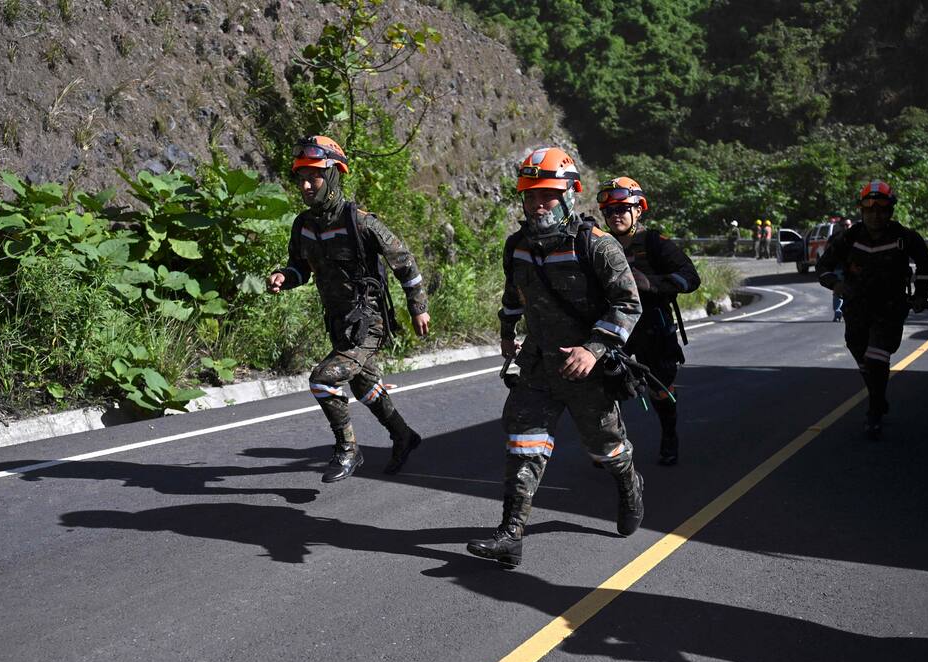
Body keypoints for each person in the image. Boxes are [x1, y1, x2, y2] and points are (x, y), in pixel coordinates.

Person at [466, 147, 644, 567]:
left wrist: (594, 348)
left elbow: (628, 304)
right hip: (538, 365)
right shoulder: (518, 246)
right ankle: (511, 535)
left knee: (607, 449)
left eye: (546, 194)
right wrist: (508, 332)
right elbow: (515, 296)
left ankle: (629, 483)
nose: (537, 204)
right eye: (529, 195)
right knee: (524, 443)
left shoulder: (597, 246)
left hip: (588, 372)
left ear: (570, 193)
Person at [267, 135, 431, 482]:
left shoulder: (360, 222)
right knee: (363, 385)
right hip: (338, 322)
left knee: (323, 380)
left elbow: (404, 262)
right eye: (302, 178)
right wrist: (284, 276)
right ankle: (403, 435)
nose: (307, 185)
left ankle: (348, 449)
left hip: (368, 321)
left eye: (315, 177)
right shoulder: (304, 226)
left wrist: (418, 307)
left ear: (333, 176)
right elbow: (300, 268)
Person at [817, 180, 928, 439]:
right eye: (869, 209)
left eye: (881, 210)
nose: (875, 215)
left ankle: (874, 412)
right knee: (862, 357)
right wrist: (837, 285)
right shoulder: (848, 238)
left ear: (890, 211)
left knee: (876, 357)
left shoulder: (904, 237)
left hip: (890, 308)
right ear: (861, 210)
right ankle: (878, 399)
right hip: (856, 309)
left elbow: (926, 262)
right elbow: (823, 268)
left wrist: (921, 294)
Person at [597, 177, 701, 465]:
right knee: (601, 386)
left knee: (661, 388)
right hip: (614, 326)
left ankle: (669, 435)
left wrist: (651, 283)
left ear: (638, 210)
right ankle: (610, 444)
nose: (615, 215)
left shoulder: (656, 243)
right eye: (609, 211)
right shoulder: (598, 244)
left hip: (653, 328)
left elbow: (690, 278)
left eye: (622, 208)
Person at [831, 218, 854, 322]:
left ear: (851, 225)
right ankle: (838, 313)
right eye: (843, 225)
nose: (845, 227)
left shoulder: (857, 237)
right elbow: (828, 253)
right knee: (838, 291)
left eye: (847, 225)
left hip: (853, 269)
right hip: (839, 268)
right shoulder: (834, 238)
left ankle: (850, 312)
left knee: (852, 291)